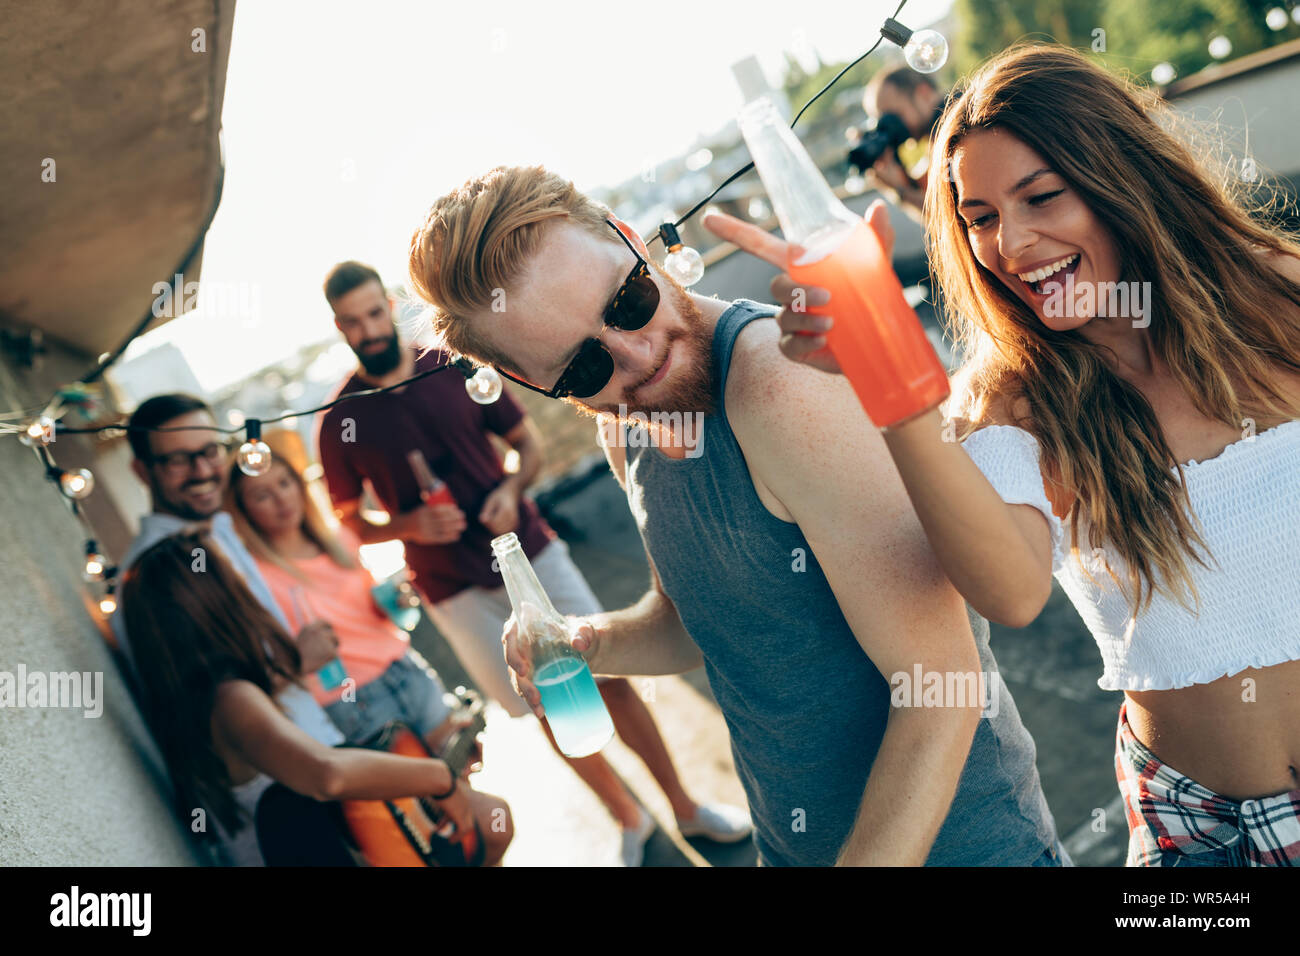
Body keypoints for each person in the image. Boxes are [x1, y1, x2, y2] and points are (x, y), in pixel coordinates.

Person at [707, 44, 1300, 867]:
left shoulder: (1279, 298)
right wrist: (890, 388)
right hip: (1194, 835)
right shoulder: (1013, 396)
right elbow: (1011, 591)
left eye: (1041, 197)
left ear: (1120, 176)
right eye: (980, 218)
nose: (1011, 245)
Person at [406, 164, 1066, 866]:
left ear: (633, 240)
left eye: (628, 300)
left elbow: (943, 690)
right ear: (530, 383)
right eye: (583, 369)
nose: (638, 353)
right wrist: (587, 644)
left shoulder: (779, 388)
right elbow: (696, 626)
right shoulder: (629, 424)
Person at [315, 261, 751, 865]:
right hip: (451, 589)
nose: (368, 328)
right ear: (339, 328)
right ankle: (627, 819)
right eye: (352, 322)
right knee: (541, 700)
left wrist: (510, 490)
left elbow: (528, 447)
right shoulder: (341, 419)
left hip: (527, 548)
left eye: (373, 312)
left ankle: (684, 806)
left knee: (610, 668)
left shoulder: (448, 364)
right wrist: (408, 526)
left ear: (388, 306)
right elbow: (350, 521)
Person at [122, 529, 512, 866]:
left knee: (488, 821)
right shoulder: (231, 699)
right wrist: (438, 778)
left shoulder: (208, 702)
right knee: (492, 823)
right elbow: (328, 775)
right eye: (232, 577)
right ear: (215, 603)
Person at [227, 429, 482, 769]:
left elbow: (374, 610)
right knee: (417, 805)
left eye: (285, 483)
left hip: (405, 669)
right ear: (243, 510)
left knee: (462, 770)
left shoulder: (342, 539)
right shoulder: (252, 578)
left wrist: (395, 601)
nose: (281, 499)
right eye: (261, 495)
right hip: (352, 700)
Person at [114, 393, 343, 749]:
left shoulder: (218, 526)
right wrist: (297, 661)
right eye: (178, 460)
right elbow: (197, 704)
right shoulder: (155, 573)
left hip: (314, 741)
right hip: (274, 783)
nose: (203, 471)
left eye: (210, 451)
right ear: (143, 470)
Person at [859, 63, 946, 222]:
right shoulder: (937, 139)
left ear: (923, 93)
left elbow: (953, 217)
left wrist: (902, 191)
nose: (891, 129)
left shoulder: (955, 133)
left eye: (892, 117)